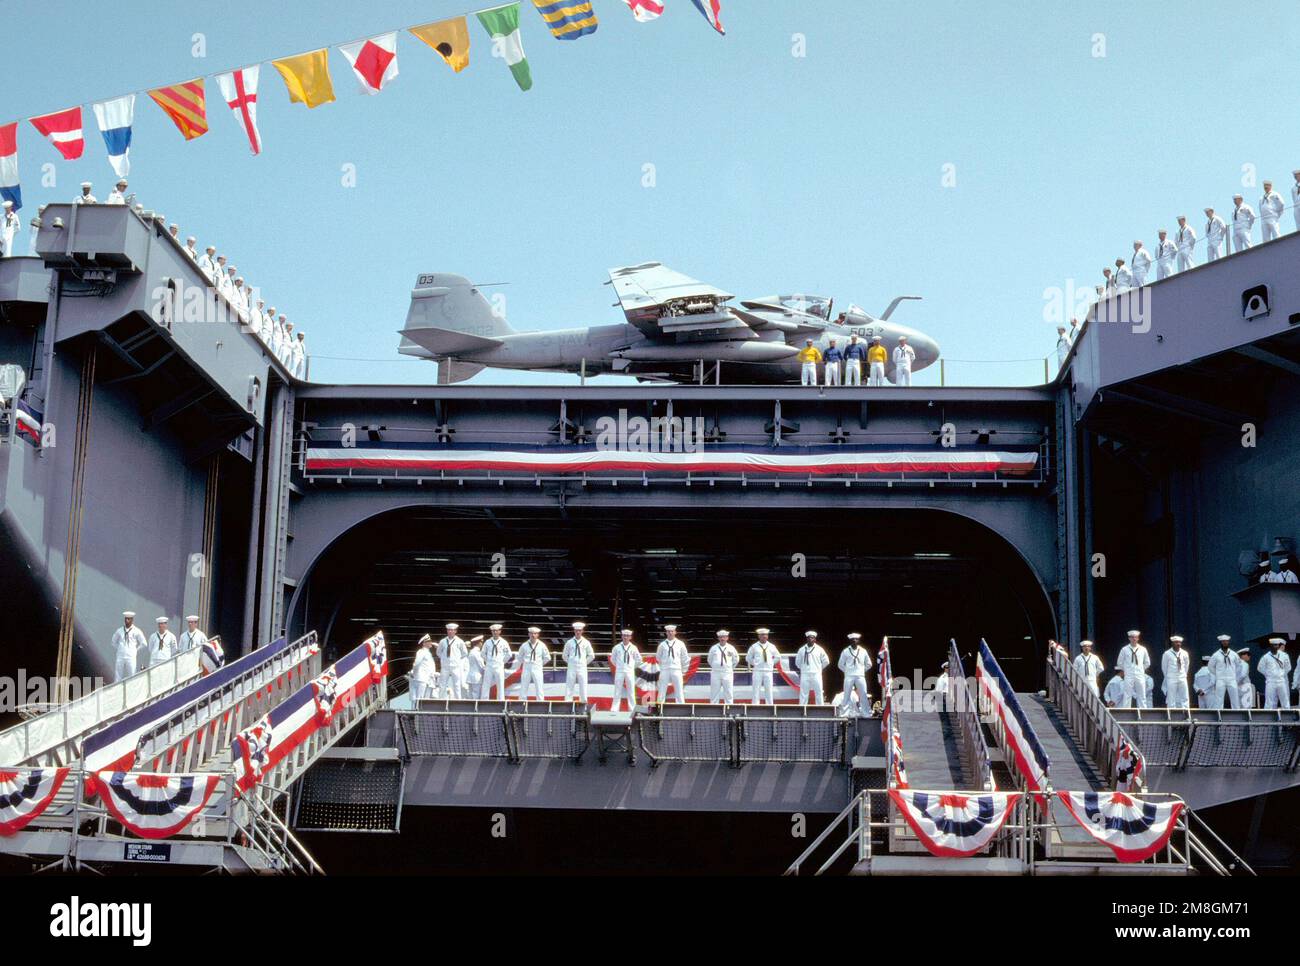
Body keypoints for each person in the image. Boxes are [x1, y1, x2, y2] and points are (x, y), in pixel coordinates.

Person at [1116, 629, 1151, 709]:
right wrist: (1127, 670)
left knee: (1141, 693)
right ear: (1129, 638)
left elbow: (1147, 662)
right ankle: (1126, 710)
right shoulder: (1124, 649)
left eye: (1135, 637)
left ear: (1138, 638)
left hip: (1140, 674)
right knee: (1127, 693)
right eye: (1132, 637)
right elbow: (1119, 662)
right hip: (1129, 674)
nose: (1134, 639)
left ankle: (1143, 710)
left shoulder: (1143, 649)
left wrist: (1141, 669)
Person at [837, 632, 872, 711]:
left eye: (856, 639)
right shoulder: (845, 651)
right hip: (849, 676)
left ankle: (865, 713)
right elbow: (840, 664)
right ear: (850, 641)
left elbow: (869, 664)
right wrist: (847, 671)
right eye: (852, 639)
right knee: (846, 694)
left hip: (860, 676)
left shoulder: (863, 651)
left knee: (863, 694)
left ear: (858, 640)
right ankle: (844, 713)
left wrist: (862, 671)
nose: (854, 641)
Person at [656, 624, 689, 704]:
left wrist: (684, 670)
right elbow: (658, 657)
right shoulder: (662, 644)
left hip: (676, 669)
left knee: (679, 690)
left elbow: (684, 657)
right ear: (666, 633)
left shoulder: (680, 643)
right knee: (662, 689)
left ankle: (681, 707)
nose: (670, 633)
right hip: (665, 669)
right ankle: (660, 707)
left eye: (672, 631)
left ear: (675, 632)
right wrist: (663, 666)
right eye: (668, 631)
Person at [562, 621, 594, 703]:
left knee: (583, 684)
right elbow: (564, 655)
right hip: (572, 666)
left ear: (582, 631)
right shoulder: (569, 642)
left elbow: (591, 655)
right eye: (576, 630)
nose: (578, 632)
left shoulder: (586, 642)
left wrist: (584, 663)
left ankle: (583, 701)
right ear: (574, 631)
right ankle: (568, 701)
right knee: (569, 684)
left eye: (580, 630)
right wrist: (570, 662)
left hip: (582, 666)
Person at [746, 627, 779, 705]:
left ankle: (770, 705)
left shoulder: (772, 646)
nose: (764, 636)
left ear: (767, 636)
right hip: (758, 671)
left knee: (769, 689)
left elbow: (778, 657)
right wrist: (755, 663)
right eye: (762, 635)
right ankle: (755, 705)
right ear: (759, 636)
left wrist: (771, 663)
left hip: (768, 671)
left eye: (766, 635)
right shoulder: (754, 646)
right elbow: (748, 658)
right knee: (756, 689)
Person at [610, 628, 641, 712]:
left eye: (627, 636)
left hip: (629, 671)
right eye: (624, 635)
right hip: (619, 670)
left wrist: (631, 666)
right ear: (622, 636)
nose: (625, 637)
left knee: (631, 690)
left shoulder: (634, 648)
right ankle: (615, 708)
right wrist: (619, 666)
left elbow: (639, 660)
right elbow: (613, 659)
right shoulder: (617, 647)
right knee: (617, 690)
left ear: (630, 637)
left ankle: (632, 708)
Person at [1208, 634, 1242, 709]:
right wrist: (1217, 674)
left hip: (1232, 678)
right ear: (1220, 642)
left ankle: (1237, 714)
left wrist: (1235, 675)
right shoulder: (1216, 655)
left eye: (1226, 641)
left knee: (1235, 698)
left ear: (1228, 642)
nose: (1225, 643)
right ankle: (1218, 714)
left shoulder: (1234, 654)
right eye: (1223, 641)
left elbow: (1239, 666)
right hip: (1221, 679)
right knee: (1219, 698)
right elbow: (1210, 667)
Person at [796, 631, 830, 705]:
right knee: (803, 692)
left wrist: (819, 668)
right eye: (809, 637)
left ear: (815, 639)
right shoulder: (801, 650)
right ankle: (802, 708)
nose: (810, 639)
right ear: (806, 639)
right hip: (805, 673)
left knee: (819, 692)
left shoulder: (820, 649)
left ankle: (820, 709)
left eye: (812, 637)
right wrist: (804, 669)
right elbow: (797, 662)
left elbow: (826, 661)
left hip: (816, 673)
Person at [111, 611, 147, 681]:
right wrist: (120, 649)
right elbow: (113, 642)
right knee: (118, 675)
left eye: (128, 619)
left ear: (132, 620)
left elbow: (144, 643)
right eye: (126, 619)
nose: (127, 620)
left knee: (132, 675)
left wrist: (135, 650)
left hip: (131, 656)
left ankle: (132, 690)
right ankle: (117, 690)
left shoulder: (137, 631)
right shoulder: (120, 630)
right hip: (120, 656)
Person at [517, 626, 550, 701]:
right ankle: (522, 702)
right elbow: (519, 657)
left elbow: (547, 657)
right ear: (529, 634)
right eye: (531, 633)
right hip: (527, 667)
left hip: (537, 667)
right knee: (524, 686)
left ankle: (540, 702)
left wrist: (540, 664)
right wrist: (525, 663)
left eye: (535, 634)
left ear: (538, 635)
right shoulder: (524, 645)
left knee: (539, 686)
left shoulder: (542, 645)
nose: (533, 635)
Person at [480, 625, 513, 700]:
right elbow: (482, 653)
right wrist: (487, 660)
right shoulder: (487, 642)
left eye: (497, 630)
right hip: (489, 665)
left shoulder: (503, 642)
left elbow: (509, 654)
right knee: (486, 684)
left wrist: (502, 662)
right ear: (491, 632)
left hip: (499, 665)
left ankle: (500, 700)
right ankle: (484, 700)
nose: (495, 632)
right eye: (493, 631)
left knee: (500, 684)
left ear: (500, 631)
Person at [436, 622, 468, 699]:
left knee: (457, 684)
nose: (450, 631)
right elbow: (438, 652)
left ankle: (458, 700)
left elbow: (465, 653)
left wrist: (457, 659)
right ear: (447, 631)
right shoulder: (443, 641)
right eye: (449, 630)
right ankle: (440, 700)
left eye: (452, 630)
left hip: (455, 666)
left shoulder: (459, 641)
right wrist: (444, 659)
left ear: (455, 631)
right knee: (442, 683)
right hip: (445, 666)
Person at [707, 629, 739, 704]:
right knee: (714, 691)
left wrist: (730, 667)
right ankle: (714, 708)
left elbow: (736, 659)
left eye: (724, 637)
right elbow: (710, 660)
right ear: (718, 638)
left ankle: (729, 707)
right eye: (720, 637)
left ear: (727, 638)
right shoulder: (713, 648)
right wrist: (716, 666)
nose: (722, 639)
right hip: (716, 672)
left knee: (728, 691)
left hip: (727, 672)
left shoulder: (731, 648)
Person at [1260, 637, 1292, 709]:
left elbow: (1288, 667)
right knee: (1269, 700)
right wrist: (1268, 675)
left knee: (1285, 700)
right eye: (1274, 645)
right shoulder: (1266, 657)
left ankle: (1287, 716)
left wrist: (1282, 674)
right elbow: (1260, 668)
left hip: (1281, 681)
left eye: (1277, 645)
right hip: (1271, 681)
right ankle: (1268, 717)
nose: (1276, 647)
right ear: (1271, 646)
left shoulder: (1284, 656)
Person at [1160, 635, 1190, 709]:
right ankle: (1171, 714)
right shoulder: (1167, 654)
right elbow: (1164, 667)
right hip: (1171, 677)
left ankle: (1186, 713)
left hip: (1182, 677)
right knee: (1171, 697)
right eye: (1176, 642)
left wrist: (1184, 674)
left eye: (1179, 642)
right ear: (1172, 643)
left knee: (1185, 696)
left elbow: (1186, 665)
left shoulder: (1184, 653)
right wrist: (1168, 677)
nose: (1178, 644)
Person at [412, 634, 437, 700]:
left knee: (426, 699)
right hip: (422, 678)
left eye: (430, 641)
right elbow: (416, 664)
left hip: (429, 679)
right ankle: (417, 710)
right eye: (428, 641)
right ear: (424, 643)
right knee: (420, 698)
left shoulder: (428, 653)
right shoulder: (421, 652)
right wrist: (415, 674)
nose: (430, 642)